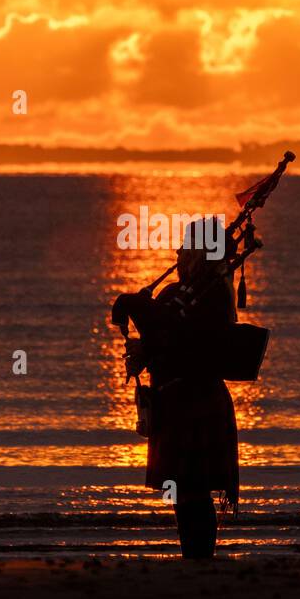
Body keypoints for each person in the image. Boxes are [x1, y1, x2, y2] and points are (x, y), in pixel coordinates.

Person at [112, 219, 239, 559]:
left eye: (186, 245)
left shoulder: (213, 298)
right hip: (175, 400)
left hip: (195, 400)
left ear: (201, 252)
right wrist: (141, 350)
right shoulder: (181, 294)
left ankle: (199, 561)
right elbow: (163, 340)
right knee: (183, 490)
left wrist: (138, 307)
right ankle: (194, 559)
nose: (179, 251)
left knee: (193, 489)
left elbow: (182, 338)